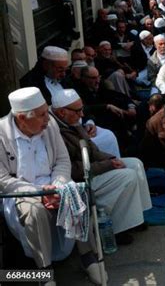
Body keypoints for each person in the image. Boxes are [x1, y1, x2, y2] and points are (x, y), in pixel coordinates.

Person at [0, 87, 104, 285]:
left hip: (54, 184)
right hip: (20, 192)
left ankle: (88, 256)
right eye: (41, 115)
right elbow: (3, 180)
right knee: (34, 212)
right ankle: (44, 273)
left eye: (46, 112)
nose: (47, 119)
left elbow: (62, 161)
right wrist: (38, 193)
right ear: (22, 118)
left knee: (76, 193)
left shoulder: (50, 125)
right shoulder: (1, 134)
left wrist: (58, 186)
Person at [50, 89, 152, 245]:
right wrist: (108, 165)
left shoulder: (72, 121)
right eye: (77, 111)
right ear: (62, 112)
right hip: (78, 179)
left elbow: (92, 149)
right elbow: (72, 169)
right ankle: (118, 228)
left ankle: (137, 217)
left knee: (135, 164)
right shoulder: (54, 131)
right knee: (126, 176)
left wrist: (111, 159)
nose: (82, 115)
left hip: (90, 167)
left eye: (81, 109)